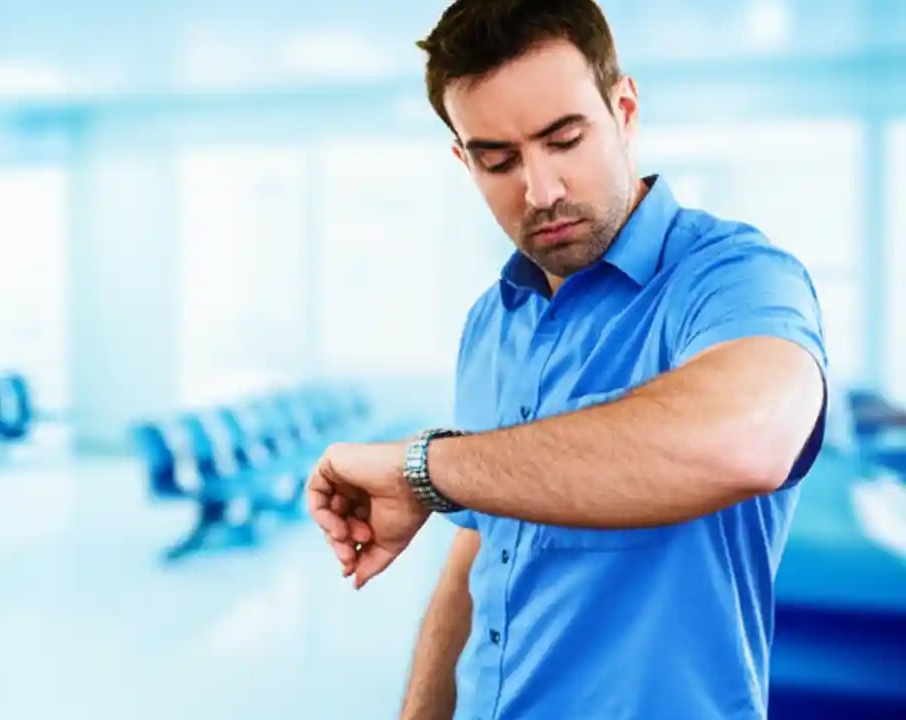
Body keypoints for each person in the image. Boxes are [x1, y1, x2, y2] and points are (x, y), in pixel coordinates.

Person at [304, 1, 828, 719]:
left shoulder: (734, 277)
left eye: (564, 140)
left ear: (624, 110)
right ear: (464, 161)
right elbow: (479, 546)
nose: (540, 191)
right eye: (499, 160)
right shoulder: (491, 321)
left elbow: (746, 441)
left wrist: (423, 468)